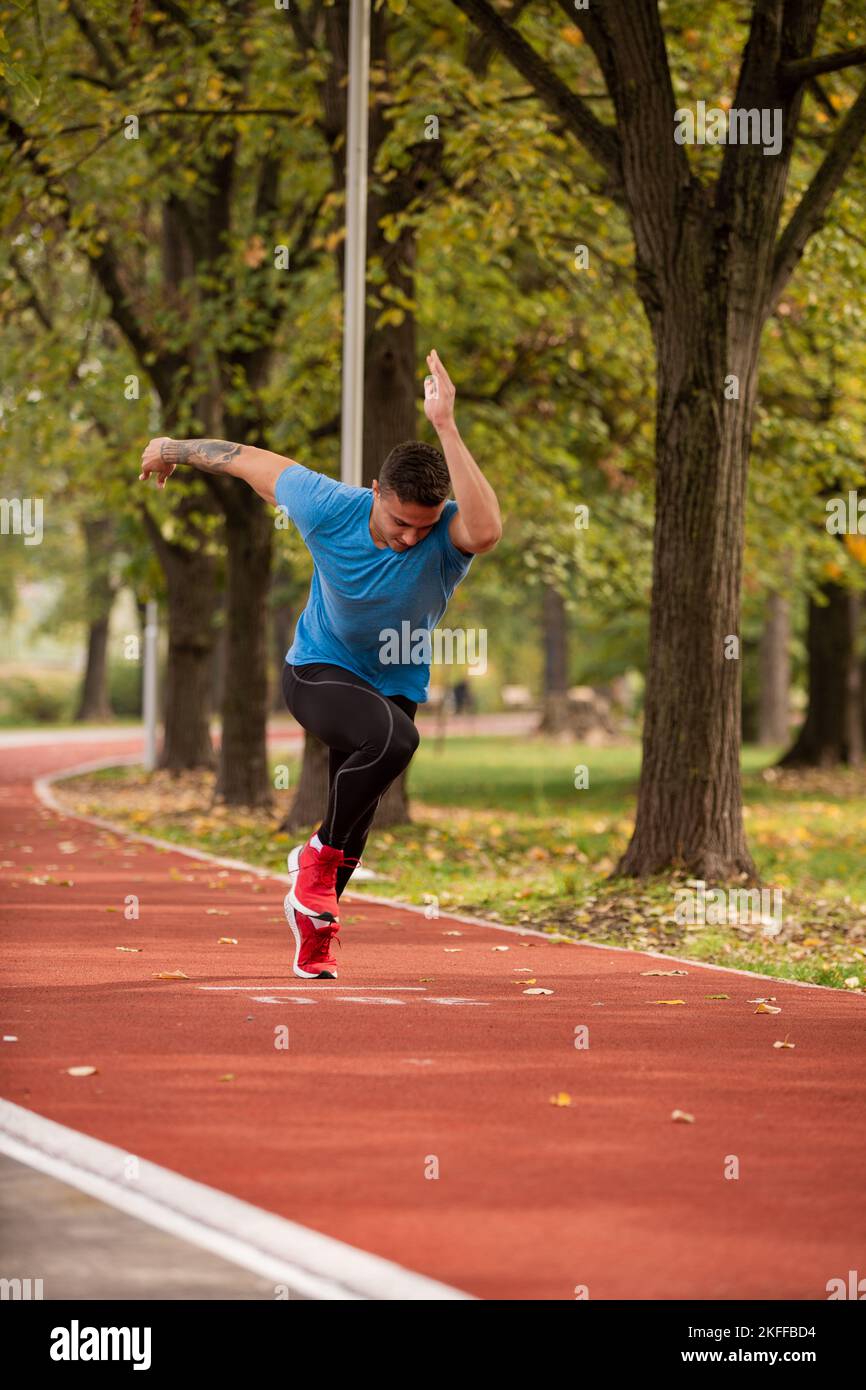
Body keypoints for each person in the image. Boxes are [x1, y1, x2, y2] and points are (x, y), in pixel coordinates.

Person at [139, 349, 502, 978]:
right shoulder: (327, 504)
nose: (410, 537)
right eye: (398, 521)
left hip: (394, 682)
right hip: (317, 673)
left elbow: (490, 529)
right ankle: (313, 862)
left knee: (356, 819)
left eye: (421, 526)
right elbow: (247, 460)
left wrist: (446, 425)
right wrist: (170, 447)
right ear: (374, 494)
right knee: (397, 742)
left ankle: (315, 928)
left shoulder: (446, 535)